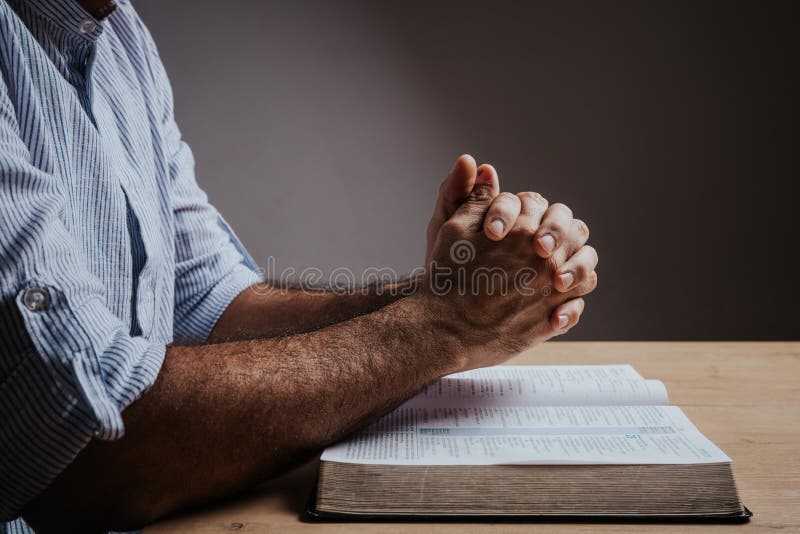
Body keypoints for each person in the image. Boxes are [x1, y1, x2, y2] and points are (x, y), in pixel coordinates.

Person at [0, 0, 598, 532]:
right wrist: (443, 326)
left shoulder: (121, 36)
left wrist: (463, 290)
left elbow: (208, 301)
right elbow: (84, 453)